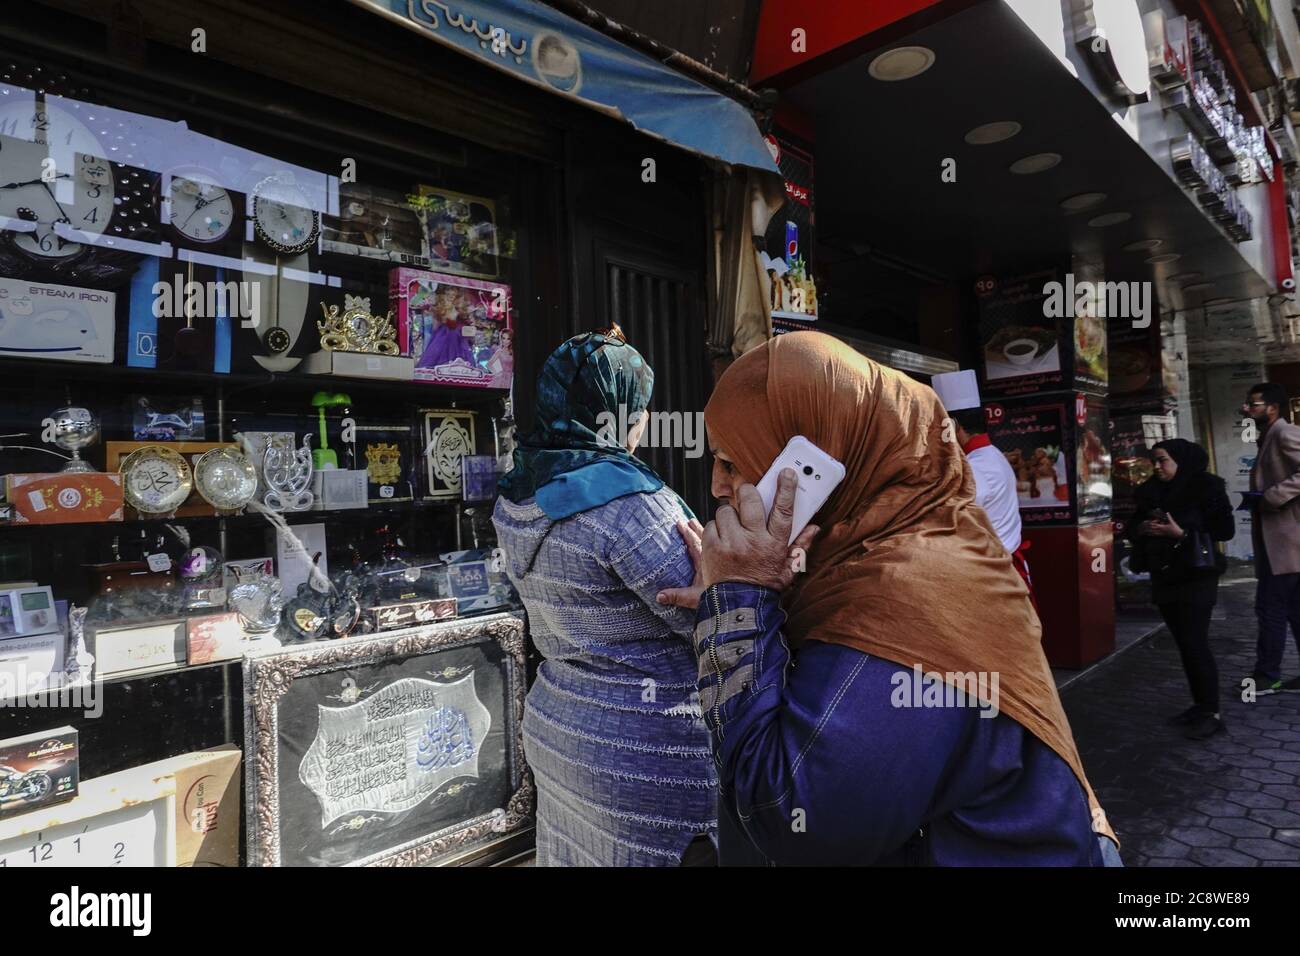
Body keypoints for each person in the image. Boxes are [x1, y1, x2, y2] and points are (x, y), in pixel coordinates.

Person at [658, 332, 1119, 866]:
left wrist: (739, 603)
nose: (717, 485)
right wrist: (741, 599)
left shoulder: (913, 589)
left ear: (818, 459)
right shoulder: (863, 551)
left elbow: (793, 821)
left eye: (733, 463)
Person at [492, 326, 716, 866]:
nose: (643, 422)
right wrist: (729, 584)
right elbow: (709, 621)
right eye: (639, 408)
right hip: (642, 750)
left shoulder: (516, 494)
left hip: (558, 727)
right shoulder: (634, 503)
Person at [1126, 440, 1235, 739]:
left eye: (1163, 460)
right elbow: (1131, 526)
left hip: (1197, 574)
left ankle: (1211, 712)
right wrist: (1142, 529)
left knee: (1195, 642)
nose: (1158, 467)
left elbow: (1225, 530)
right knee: (1184, 645)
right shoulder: (1150, 490)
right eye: (1155, 461)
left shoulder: (1207, 487)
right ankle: (1199, 706)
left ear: (1181, 460)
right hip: (1164, 574)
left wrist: (1182, 533)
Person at [930, 369, 1032, 599]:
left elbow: (948, 521)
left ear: (954, 426)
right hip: (1001, 568)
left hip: (995, 577)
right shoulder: (991, 455)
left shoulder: (977, 468)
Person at [1244, 382, 1300, 693]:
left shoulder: (1283, 432)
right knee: (1293, 610)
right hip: (1285, 544)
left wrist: (1271, 497)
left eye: (1253, 405)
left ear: (1273, 408)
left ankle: (1267, 675)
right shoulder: (1269, 436)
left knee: (1270, 609)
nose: (1247, 410)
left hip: (1284, 543)